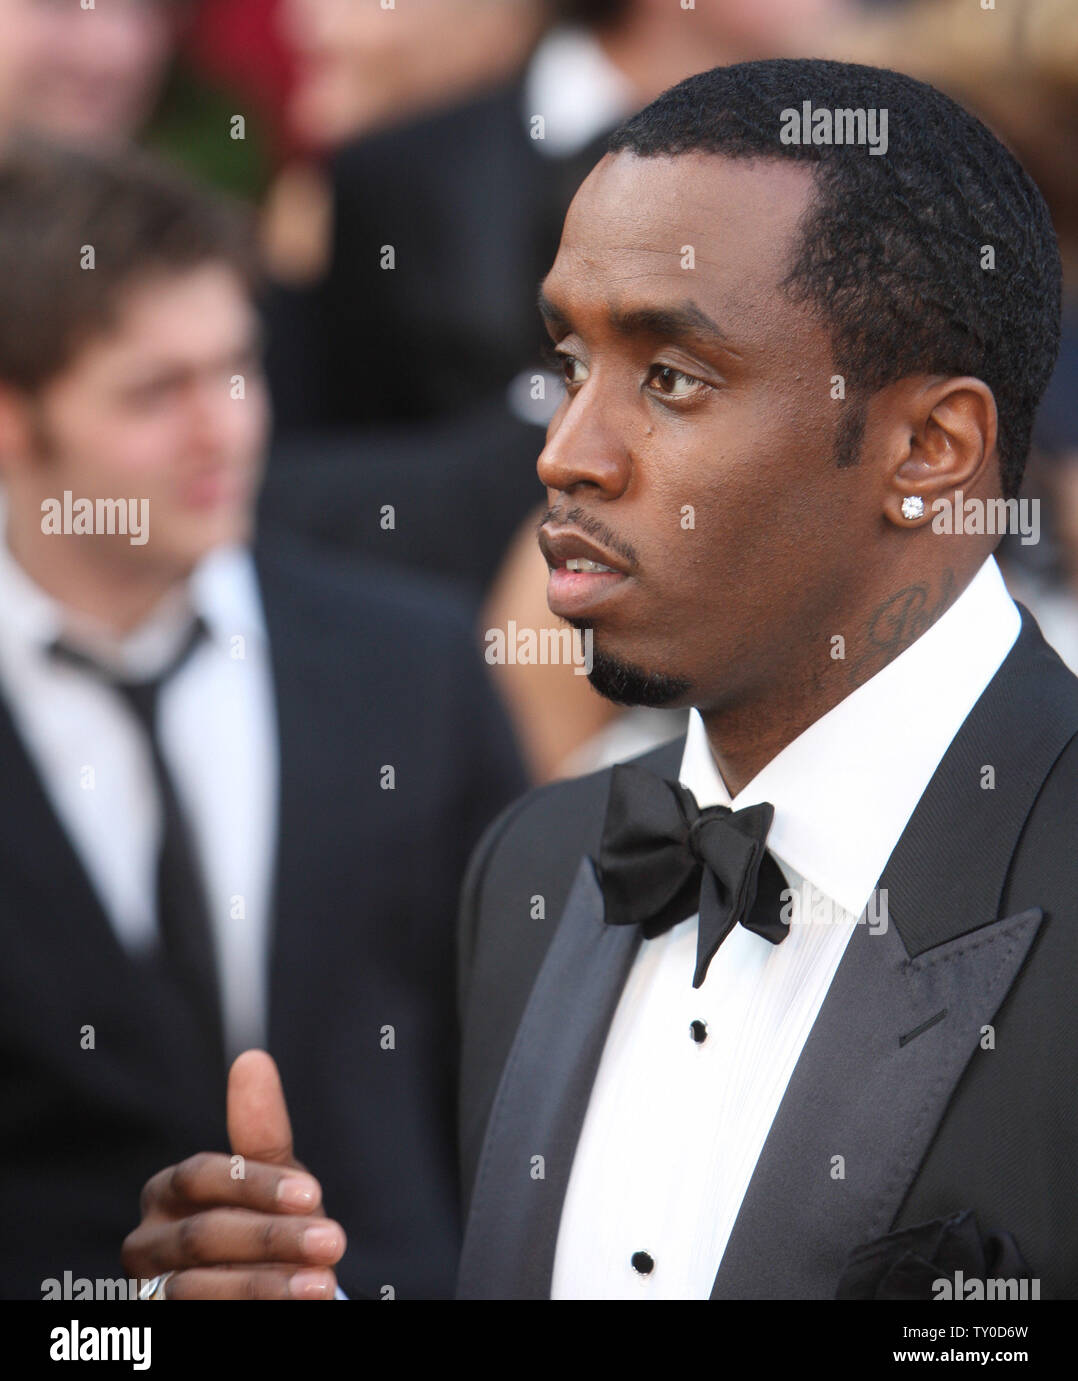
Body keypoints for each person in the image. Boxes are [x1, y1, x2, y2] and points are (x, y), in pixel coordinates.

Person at [122, 57, 1076, 1301]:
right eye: (572, 364)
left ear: (928, 449)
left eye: (671, 379)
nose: (567, 455)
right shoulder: (532, 868)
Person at [0, 139, 525, 1301]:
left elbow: (514, 1058)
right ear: (12, 419)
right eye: (155, 391)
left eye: (237, 369)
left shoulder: (414, 665)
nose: (223, 429)